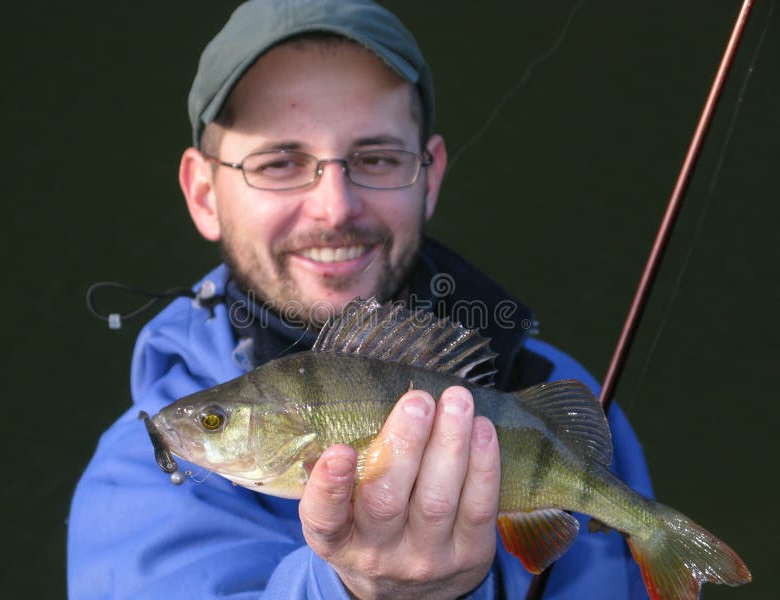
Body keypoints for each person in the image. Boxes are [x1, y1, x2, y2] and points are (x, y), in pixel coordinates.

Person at [68, 1, 653, 598]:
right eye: (280, 162)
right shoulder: (132, 487)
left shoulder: (559, 389)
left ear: (431, 176)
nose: (335, 206)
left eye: (375, 158)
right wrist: (356, 590)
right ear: (202, 194)